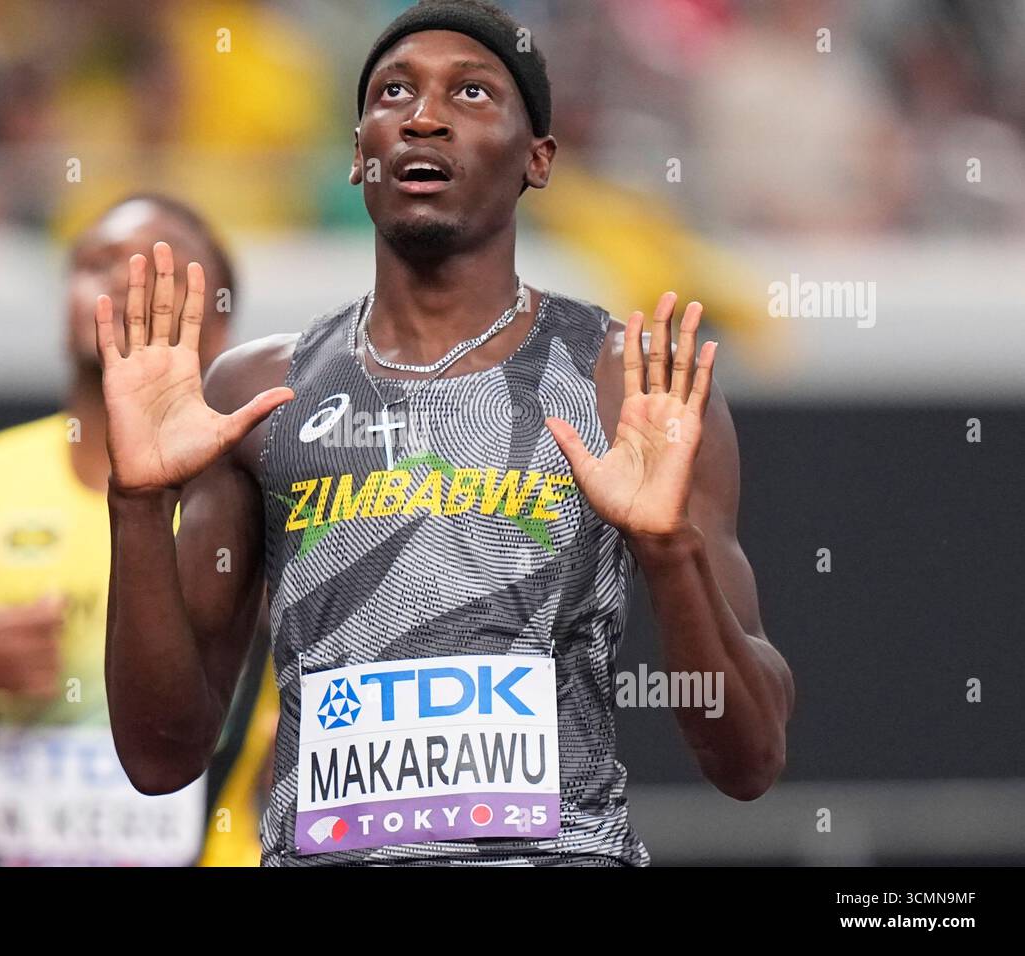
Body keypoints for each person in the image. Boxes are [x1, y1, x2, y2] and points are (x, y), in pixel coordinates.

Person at [98, 0, 795, 866]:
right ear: (359, 155)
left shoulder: (625, 383)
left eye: (471, 93)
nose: (423, 116)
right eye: (394, 92)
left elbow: (752, 757)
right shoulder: (259, 394)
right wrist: (135, 505)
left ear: (537, 159)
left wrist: (668, 547)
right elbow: (160, 756)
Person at [0, 194, 277, 866]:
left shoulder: (261, 492)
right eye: (94, 263)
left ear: (217, 321)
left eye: (153, 267)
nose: (122, 280)